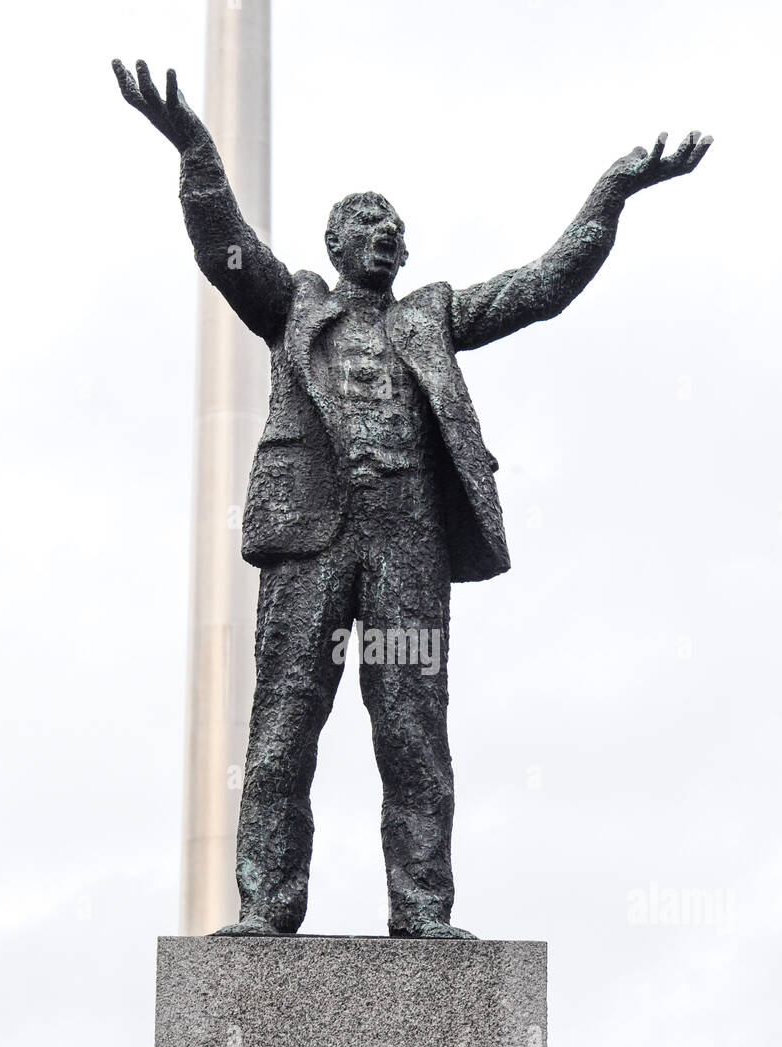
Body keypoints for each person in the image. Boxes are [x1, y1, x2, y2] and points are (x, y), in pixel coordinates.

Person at [113, 58, 712, 939]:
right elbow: (220, 243)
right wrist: (195, 149)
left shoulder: (432, 317)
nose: (387, 232)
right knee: (284, 727)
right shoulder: (292, 307)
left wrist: (610, 194)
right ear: (334, 245)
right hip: (311, 540)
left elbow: (540, 286)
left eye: (395, 224)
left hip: (406, 545)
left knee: (412, 731)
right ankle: (265, 907)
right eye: (368, 221)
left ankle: (424, 910)